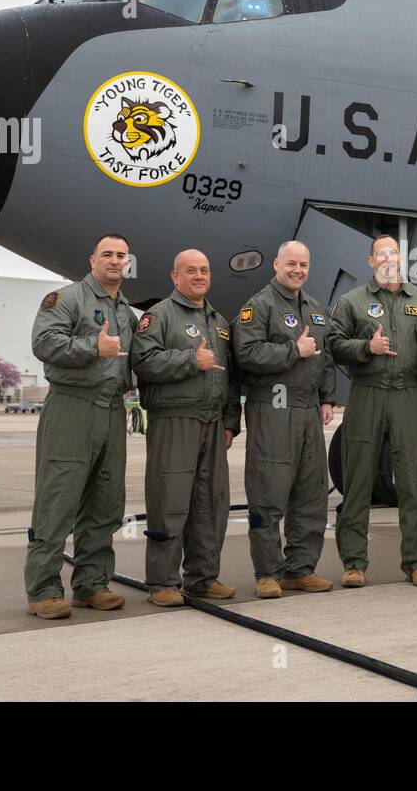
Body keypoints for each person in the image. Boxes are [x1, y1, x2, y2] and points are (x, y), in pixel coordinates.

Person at [24, 234, 137, 619]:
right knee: (58, 500)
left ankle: (91, 585)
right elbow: (44, 342)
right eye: (107, 254)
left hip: (113, 410)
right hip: (73, 406)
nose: (115, 261)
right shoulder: (68, 299)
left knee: (106, 503)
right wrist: (93, 348)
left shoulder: (127, 312)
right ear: (92, 260)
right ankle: (43, 590)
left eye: (121, 255)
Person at [326, 235, 417, 588]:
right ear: (371, 262)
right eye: (381, 253)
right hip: (367, 392)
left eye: (393, 252)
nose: (388, 258)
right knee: (358, 478)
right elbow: (333, 344)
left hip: (409, 394)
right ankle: (354, 563)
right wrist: (367, 346)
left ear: (401, 258)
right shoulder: (352, 301)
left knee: (413, 481)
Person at [130, 249, 241, 606]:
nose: (199, 276)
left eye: (204, 270)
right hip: (174, 419)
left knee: (211, 504)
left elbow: (230, 378)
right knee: (170, 502)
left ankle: (203, 577)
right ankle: (162, 582)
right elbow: (142, 362)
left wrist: (230, 421)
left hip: (212, 423)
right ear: (174, 277)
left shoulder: (220, 323)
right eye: (190, 271)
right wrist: (190, 360)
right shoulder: (159, 315)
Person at [234, 241, 337, 599]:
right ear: (276, 263)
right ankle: (267, 572)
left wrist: (327, 398)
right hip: (272, 411)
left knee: (310, 495)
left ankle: (300, 569)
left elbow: (325, 359)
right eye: (291, 263)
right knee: (268, 493)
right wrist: (294, 350)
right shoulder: (259, 306)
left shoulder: (316, 310)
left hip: (308, 411)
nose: (298, 270)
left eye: (304, 264)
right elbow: (246, 354)